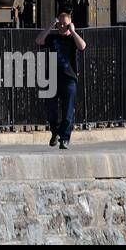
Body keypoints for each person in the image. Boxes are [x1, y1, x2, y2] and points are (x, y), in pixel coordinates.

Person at [35, 12, 85, 149]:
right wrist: (50, 27)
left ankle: (64, 138)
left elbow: (82, 46)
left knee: (68, 111)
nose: (62, 26)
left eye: (65, 23)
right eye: (60, 23)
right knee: (51, 109)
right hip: (52, 78)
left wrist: (73, 32)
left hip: (69, 79)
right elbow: (39, 41)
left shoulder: (73, 39)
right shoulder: (52, 38)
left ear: (70, 24)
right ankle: (55, 132)